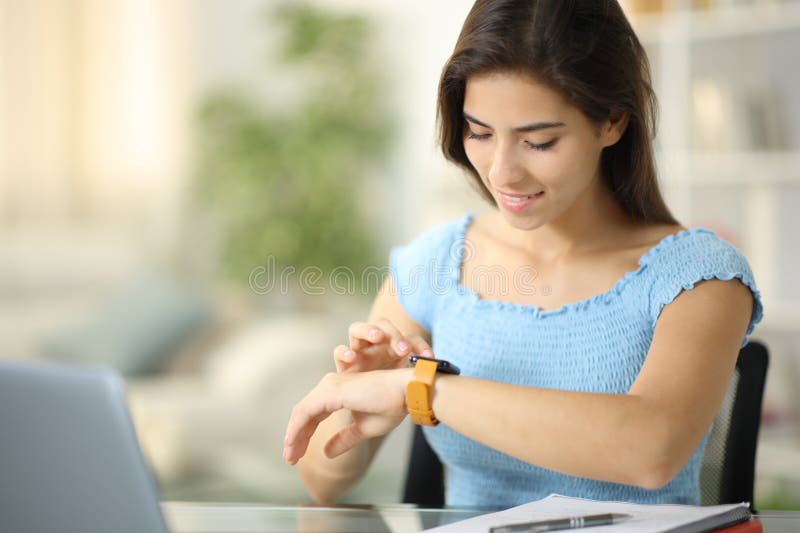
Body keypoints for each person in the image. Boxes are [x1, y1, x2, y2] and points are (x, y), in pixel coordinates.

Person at [283, 0, 763, 509]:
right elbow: (322, 482)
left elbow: (652, 450)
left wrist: (421, 390)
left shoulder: (698, 276)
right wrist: (356, 413)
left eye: (538, 141)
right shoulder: (439, 262)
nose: (501, 173)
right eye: (480, 133)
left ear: (613, 121)